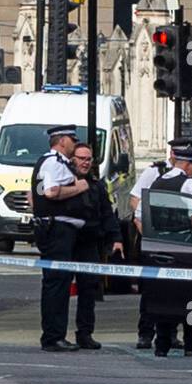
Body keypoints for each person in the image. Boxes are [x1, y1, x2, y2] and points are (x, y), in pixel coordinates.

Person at [143, 144, 192, 357]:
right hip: (184, 246)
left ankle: (162, 342)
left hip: (159, 246)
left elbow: (142, 215)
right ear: (188, 165)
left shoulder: (158, 181)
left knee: (166, 297)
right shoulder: (189, 184)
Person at [129, 137, 192, 350]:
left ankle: (170, 335)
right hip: (157, 243)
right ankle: (146, 333)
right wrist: (151, 238)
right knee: (151, 291)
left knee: (178, 291)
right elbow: (136, 203)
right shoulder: (153, 173)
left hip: (179, 243)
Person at [30, 125, 89, 351]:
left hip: (56, 229)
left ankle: (55, 334)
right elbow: (51, 192)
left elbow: (33, 195)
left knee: (58, 283)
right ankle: (53, 336)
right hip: (57, 231)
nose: (75, 143)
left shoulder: (51, 162)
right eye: (72, 140)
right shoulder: (54, 162)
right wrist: (79, 187)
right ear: (62, 141)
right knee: (57, 284)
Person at [69, 142, 124, 350]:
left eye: (88, 159)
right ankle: (53, 333)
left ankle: (85, 333)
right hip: (67, 240)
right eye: (81, 158)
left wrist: (116, 238)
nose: (85, 163)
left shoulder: (96, 185)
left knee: (88, 288)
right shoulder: (66, 181)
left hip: (89, 242)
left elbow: (107, 214)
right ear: (72, 159)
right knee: (58, 287)